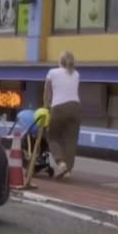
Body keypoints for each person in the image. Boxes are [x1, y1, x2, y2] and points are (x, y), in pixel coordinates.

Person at [43, 51, 82, 179]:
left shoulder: (52, 72)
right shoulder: (76, 74)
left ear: (60, 61)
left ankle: (61, 163)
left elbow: (47, 93)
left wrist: (46, 107)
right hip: (76, 108)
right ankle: (68, 171)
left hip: (59, 107)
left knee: (52, 135)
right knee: (71, 140)